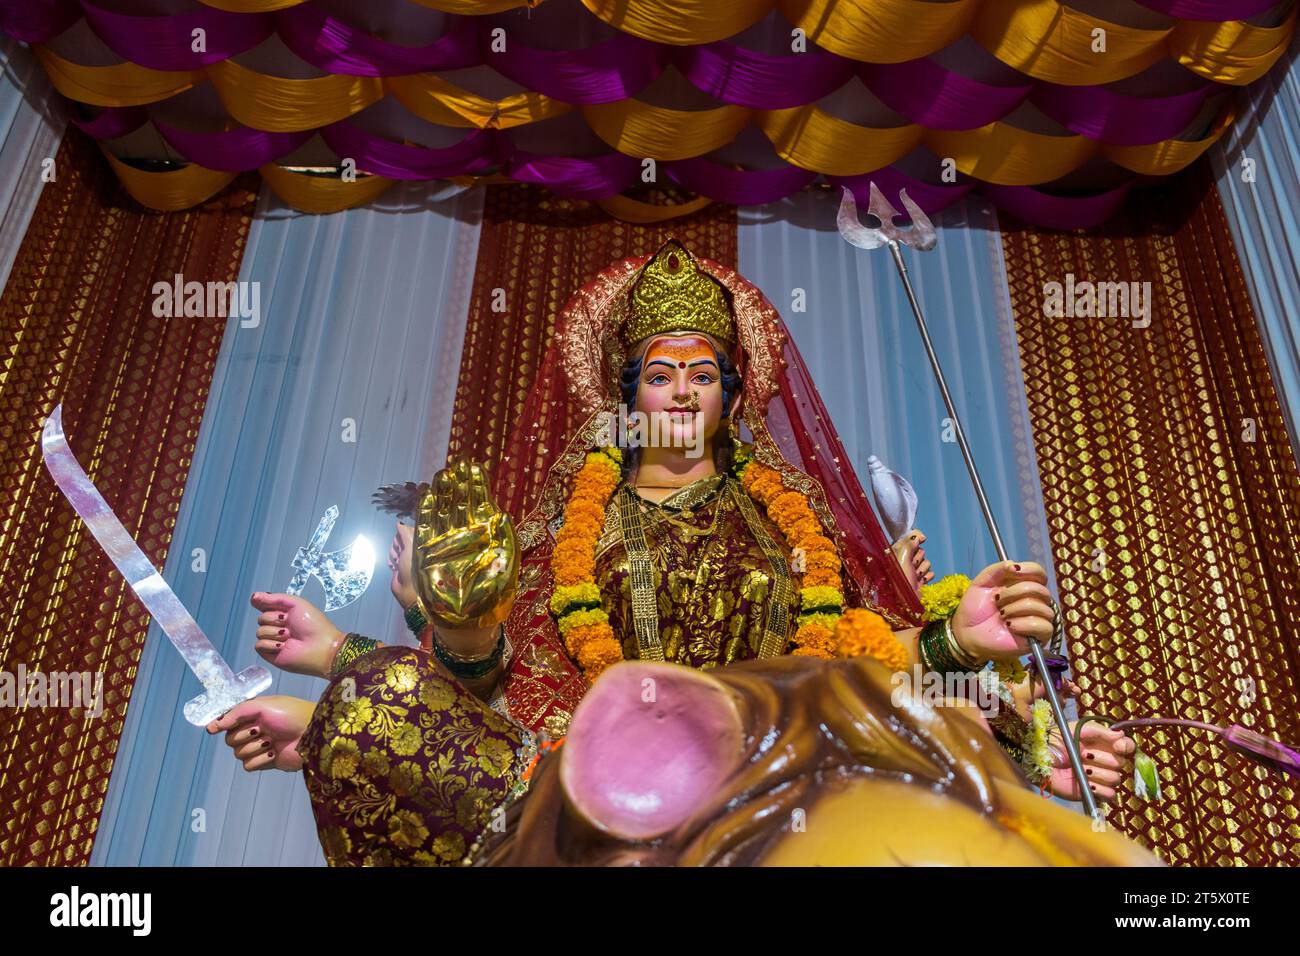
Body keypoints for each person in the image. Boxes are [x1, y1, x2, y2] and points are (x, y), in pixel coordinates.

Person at [210, 240, 1132, 865]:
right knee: (385, 702)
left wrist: (956, 647)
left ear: (734, 393)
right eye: (660, 373)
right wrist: (399, 645)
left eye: (703, 373)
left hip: (782, 764)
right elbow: (494, 688)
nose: (683, 391)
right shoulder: (569, 521)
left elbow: (857, 670)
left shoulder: (790, 514)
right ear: (628, 392)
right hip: (604, 782)